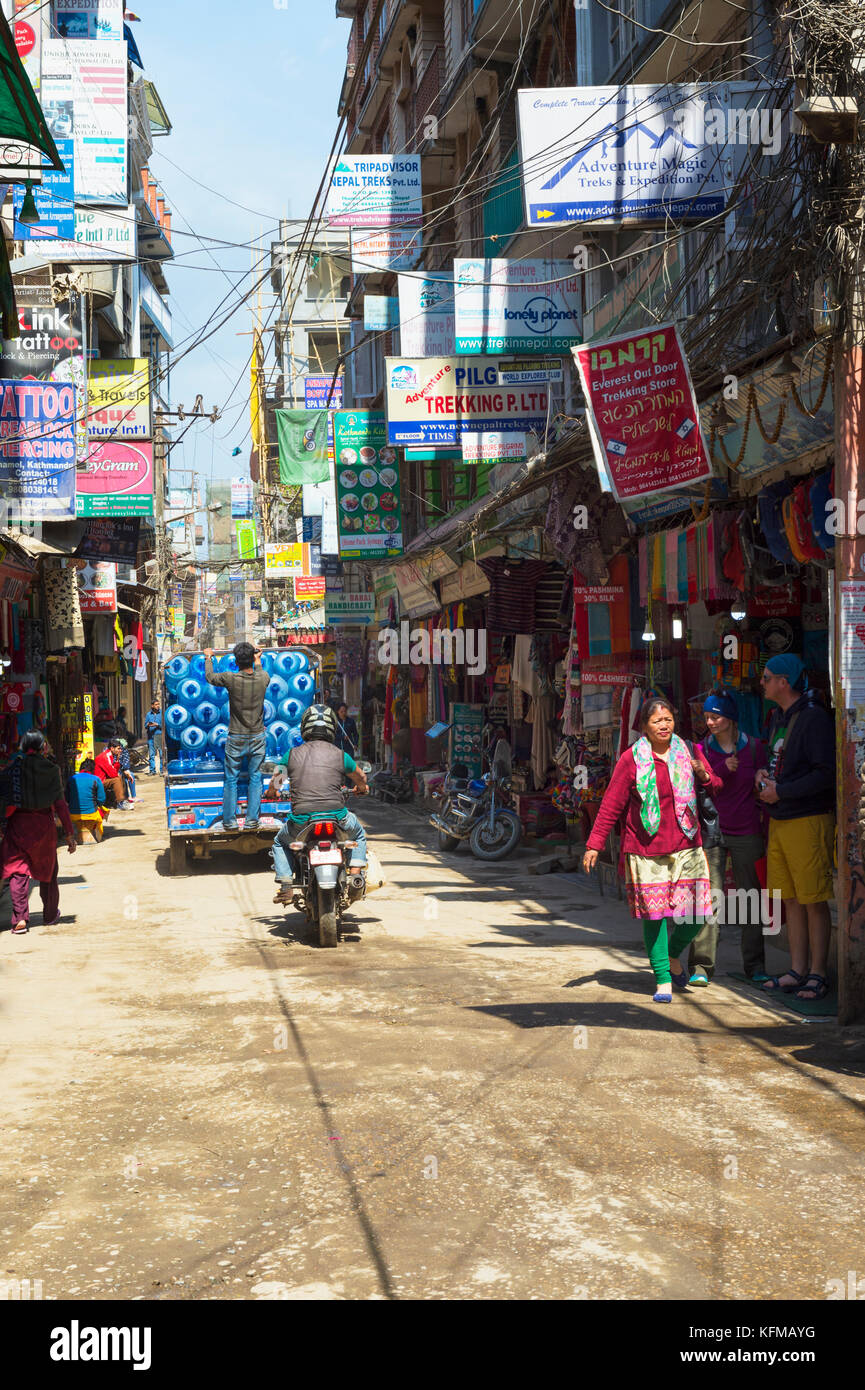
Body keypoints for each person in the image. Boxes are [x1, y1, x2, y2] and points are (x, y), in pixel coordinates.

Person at [583, 696, 719, 1003]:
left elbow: (715, 785)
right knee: (655, 916)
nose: (664, 725)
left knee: (697, 912)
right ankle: (662, 980)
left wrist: (705, 775)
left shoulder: (688, 750)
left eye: (668, 719)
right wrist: (594, 844)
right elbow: (611, 805)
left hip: (687, 843)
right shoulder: (632, 759)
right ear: (644, 726)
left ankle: (671, 955)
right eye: (657, 721)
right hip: (646, 848)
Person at [756, 654, 836, 1001]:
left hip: (808, 818)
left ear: (783, 682)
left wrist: (782, 790)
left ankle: (818, 973)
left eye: (767, 677)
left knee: (813, 899)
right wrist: (763, 775)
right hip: (781, 818)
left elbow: (825, 774)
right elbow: (780, 759)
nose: (762, 682)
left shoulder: (815, 718)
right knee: (790, 898)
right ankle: (797, 968)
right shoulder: (778, 717)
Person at [687, 692, 768, 986]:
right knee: (708, 900)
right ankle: (700, 967)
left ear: (731, 718)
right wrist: (722, 769)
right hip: (711, 831)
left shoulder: (756, 748)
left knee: (752, 899)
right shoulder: (700, 750)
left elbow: (764, 782)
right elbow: (701, 786)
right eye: (707, 717)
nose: (710, 722)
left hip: (747, 830)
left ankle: (755, 965)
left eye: (716, 716)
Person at [271, 703, 369, 903]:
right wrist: (361, 788)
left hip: (301, 822)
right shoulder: (341, 755)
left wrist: (271, 792)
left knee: (280, 842)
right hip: (337, 818)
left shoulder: (291, 755)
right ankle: (356, 876)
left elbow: (276, 784)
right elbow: (361, 777)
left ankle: (287, 885)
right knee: (358, 832)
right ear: (332, 728)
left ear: (304, 728)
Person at [0, 732, 76, 934]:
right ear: (43, 747)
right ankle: (50, 915)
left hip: (18, 825)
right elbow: (60, 804)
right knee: (48, 872)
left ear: (23, 747)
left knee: (18, 871)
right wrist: (69, 834)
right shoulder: (52, 769)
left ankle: (19, 920)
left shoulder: (13, 768)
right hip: (43, 827)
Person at [204, 643, 271, 831]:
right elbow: (259, 672)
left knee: (231, 779)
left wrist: (209, 658)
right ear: (252, 658)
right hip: (258, 737)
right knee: (255, 777)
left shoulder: (230, 678)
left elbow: (210, 677)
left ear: (234, 661)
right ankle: (251, 821)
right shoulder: (263, 678)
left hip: (236, 737)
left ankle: (230, 821)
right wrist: (258, 660)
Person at [66, 757, 107, 843]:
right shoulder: (96, 779)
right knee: (105, 810)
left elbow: (67, 798)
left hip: (73, 815)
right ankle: (95, 834)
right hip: (91, 814)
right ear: (93, 769)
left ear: (81, 768)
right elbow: (102, 799)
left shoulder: (71, 779)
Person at [94, 740, 132, 810]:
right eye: (118, 748)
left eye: (120, 749)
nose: (120, 750)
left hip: (105, 779)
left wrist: (117, 759)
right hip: (99, 782)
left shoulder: (111, 755)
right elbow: (113, 774)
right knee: (116, 779)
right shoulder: (104, 757)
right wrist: (117, 773)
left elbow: (115, 770)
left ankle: (123, 799)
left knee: (120, 777)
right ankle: (120, 802)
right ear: (112, 748)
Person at [144, 699, 163, 776]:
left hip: (159, 736)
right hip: (150, 736)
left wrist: (157, 725)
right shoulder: (149, 714)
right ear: (152, 706)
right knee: (151, 754)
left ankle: (162, 770)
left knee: (161, 754)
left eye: (158, 704)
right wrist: (148, 724)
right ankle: (152, 770)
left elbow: (164, 726)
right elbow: (145, 725)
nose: (158, 706)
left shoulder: (162, 713)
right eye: (156, 704)